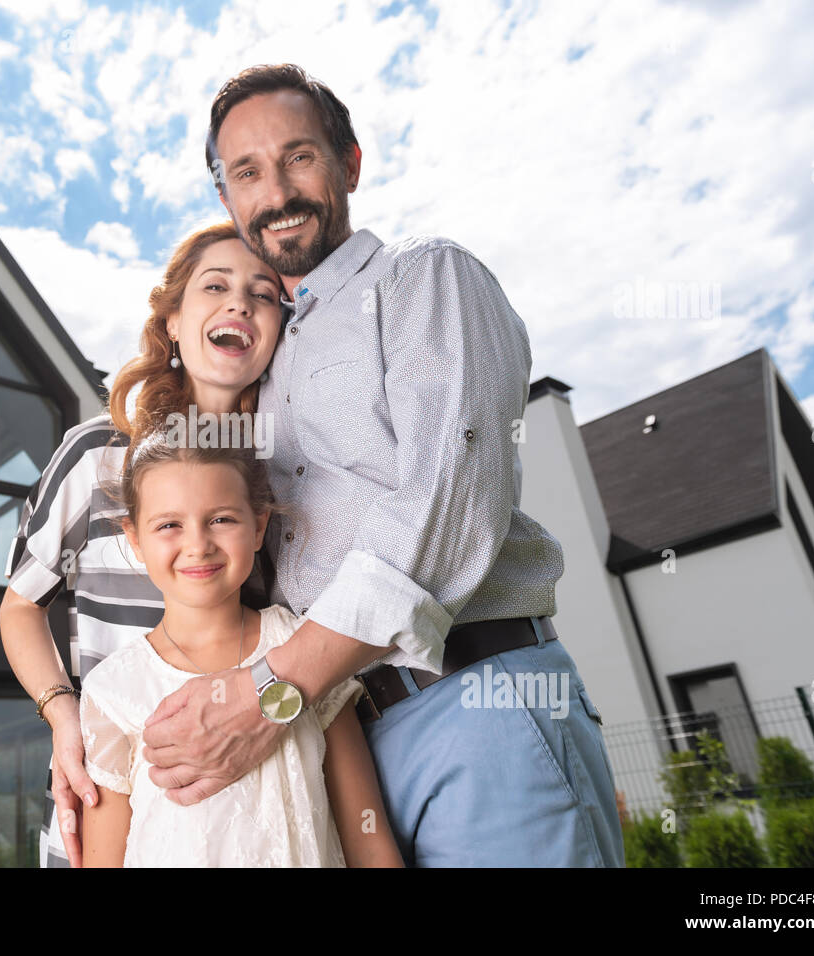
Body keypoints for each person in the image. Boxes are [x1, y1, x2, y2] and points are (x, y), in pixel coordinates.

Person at [135, 63, 626, 867]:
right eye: (248, 172)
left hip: (474, 705)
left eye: (299, 157)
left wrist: (270, 691)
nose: (278, 191)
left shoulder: (424, 277)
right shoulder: (266, 362)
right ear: (228, 201)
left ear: (349, 163)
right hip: (343, 747)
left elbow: (448, 500)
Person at [0, 221, 285, 867]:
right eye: (217, 285)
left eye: (263, 293)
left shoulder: (276, 476)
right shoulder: (97, 453)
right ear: (174, 321)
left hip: (238, 811)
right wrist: (63, 716)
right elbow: (20, 607)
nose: (241, 302)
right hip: (109, 804)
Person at [78, 429, 403, 866]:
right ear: (135, 539)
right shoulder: (113, 689)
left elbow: (368, 838)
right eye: (169, 524)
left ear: (259, 526)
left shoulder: (303, 648)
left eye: (222, 519)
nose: (198, 544)